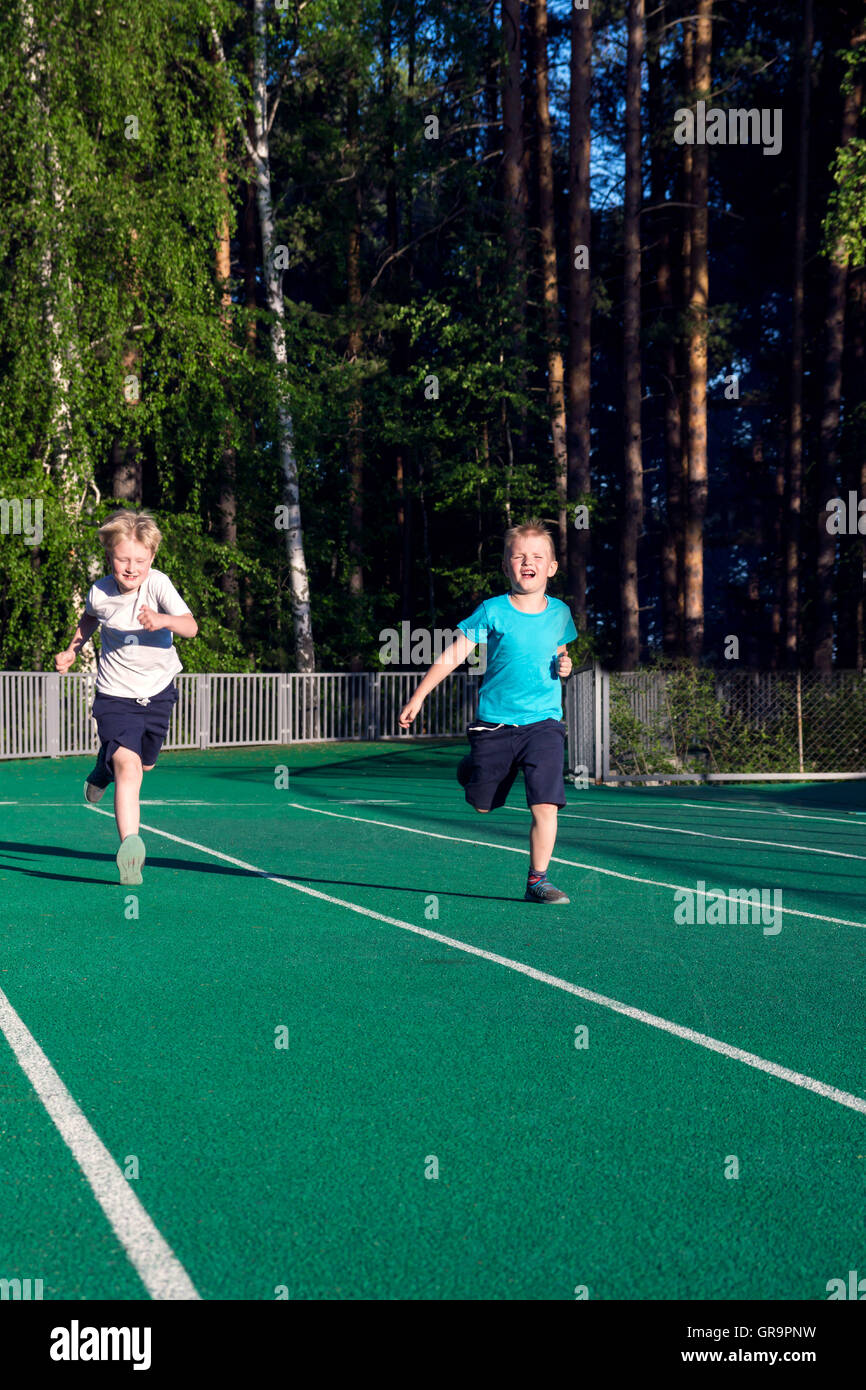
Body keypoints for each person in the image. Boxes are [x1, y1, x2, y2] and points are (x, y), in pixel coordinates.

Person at [399, 519, 576, 903]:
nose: (527, 562)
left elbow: (561, 655)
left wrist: (566, 665)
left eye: (537, 556)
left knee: (545, 804)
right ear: (505, 566)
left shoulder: (561, 612)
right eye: (519, 556)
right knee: (483, 805)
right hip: (495, 724)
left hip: (544, 724)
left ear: (551, 567)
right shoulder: (492, 611)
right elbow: (453, 654)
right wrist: (419, 696)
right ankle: (471, 769)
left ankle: (537, 881)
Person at [54, 510, 198, 886]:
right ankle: (130, 848)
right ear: (110, 556)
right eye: (123, 559)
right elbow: (89, 618)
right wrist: (73, 649)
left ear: (151, 559)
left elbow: (191, 627)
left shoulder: (159, 585)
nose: (130, 568)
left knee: (144, 766)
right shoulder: (100, 591)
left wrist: (164, 621)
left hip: (158, 692)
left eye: (139, 560)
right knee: (130, 769)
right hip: (115, 695)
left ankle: (103, 766)